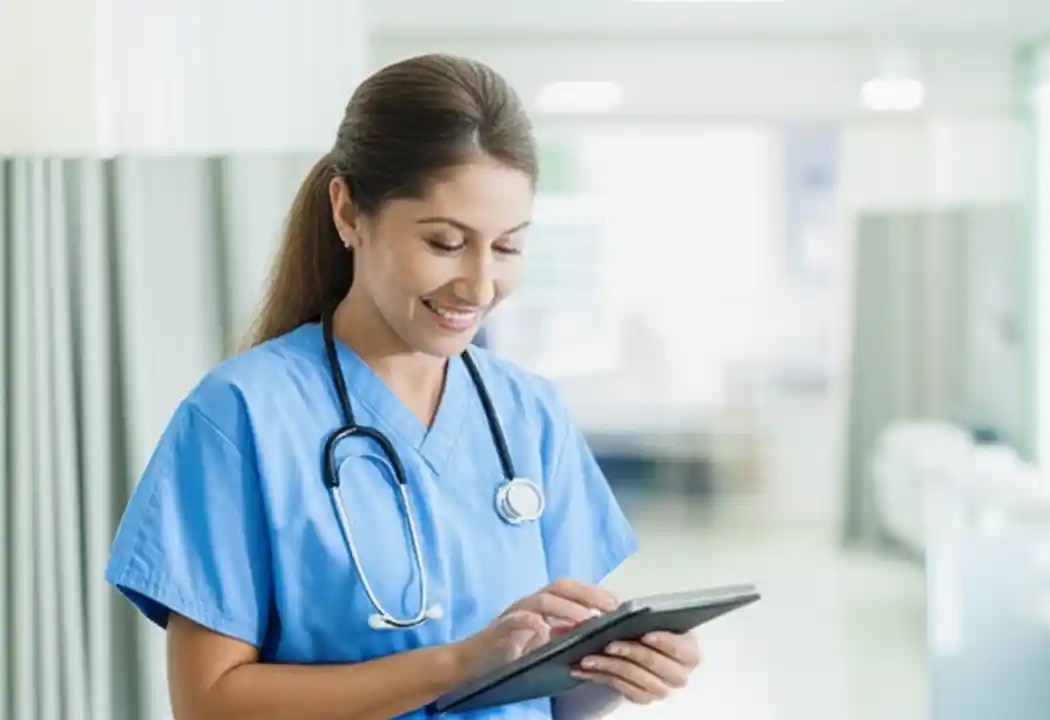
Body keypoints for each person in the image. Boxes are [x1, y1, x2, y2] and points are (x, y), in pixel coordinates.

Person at [104, 54, 700, 720]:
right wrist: (455, 665)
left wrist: (617, 671)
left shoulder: (528, 413)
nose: (478, 286)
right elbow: (210, 704)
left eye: (507, 248)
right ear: (348, 213)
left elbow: (555, 698)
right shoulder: (243, 415)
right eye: (446, 242)